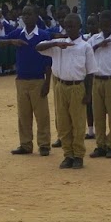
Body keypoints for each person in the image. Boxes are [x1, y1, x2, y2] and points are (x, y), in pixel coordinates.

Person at [34, 13, 95, 169]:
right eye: (66, 26)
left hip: (77, 86)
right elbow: (38, 47)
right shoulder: (58, 44)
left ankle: (78, 155)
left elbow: (90, 72)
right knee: (63, 122)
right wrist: (55, 44)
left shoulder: (85, 46)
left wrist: (88, 93)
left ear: (79, 27)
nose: (69, 29)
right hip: (60, 86)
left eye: (72, 26)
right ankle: (67, 154)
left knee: (78, 122)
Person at [0, 6, 54, 157]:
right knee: (23, 115)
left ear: (36, 16)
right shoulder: (18, 33)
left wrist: (47, 83)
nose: (26, 17)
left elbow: (49, 61)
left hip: (38, 80)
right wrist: (11, 41)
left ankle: (44, 144)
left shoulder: (43, 35)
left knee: (42, 115)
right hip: (21, 80)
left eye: (29, 14)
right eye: (24, 15)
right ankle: (25, 144)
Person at [86, 11, 111, 159]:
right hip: (97, 80)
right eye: (102, 21)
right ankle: (100, 145)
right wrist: (98, 45)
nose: (105, 23)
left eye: (107, 21)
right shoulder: (93, 39)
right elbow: (87, 55)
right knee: (98, 115)